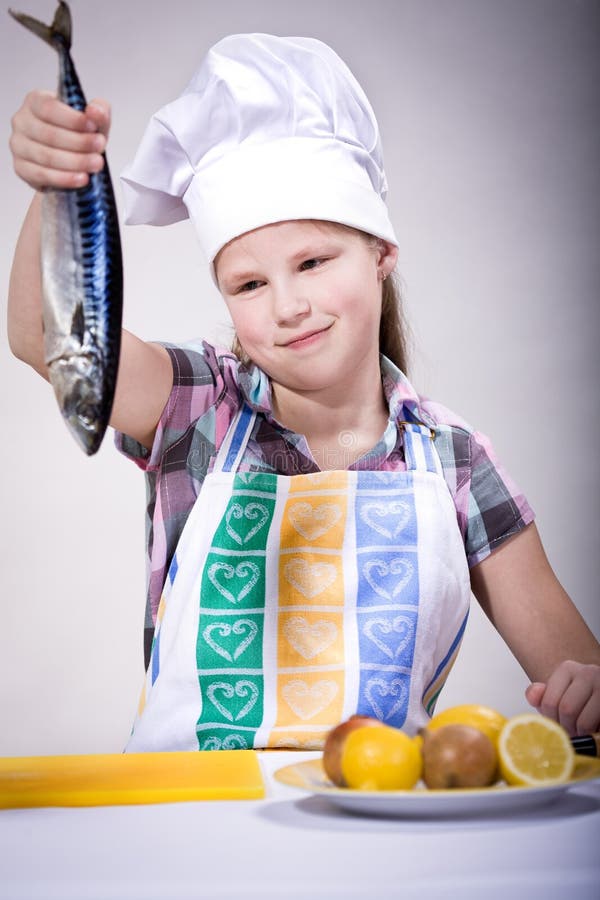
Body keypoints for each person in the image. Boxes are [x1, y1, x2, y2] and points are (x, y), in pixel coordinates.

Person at [8, 34, 600, 751]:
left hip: (373, 832)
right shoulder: (195, 408)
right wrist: (58, 182)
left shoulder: (456, 463)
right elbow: (45, 335)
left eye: (313, 261)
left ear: (382, 252)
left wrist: (588, 693)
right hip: (178, 831)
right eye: (250, 284)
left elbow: (581, 674)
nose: (287, 305)